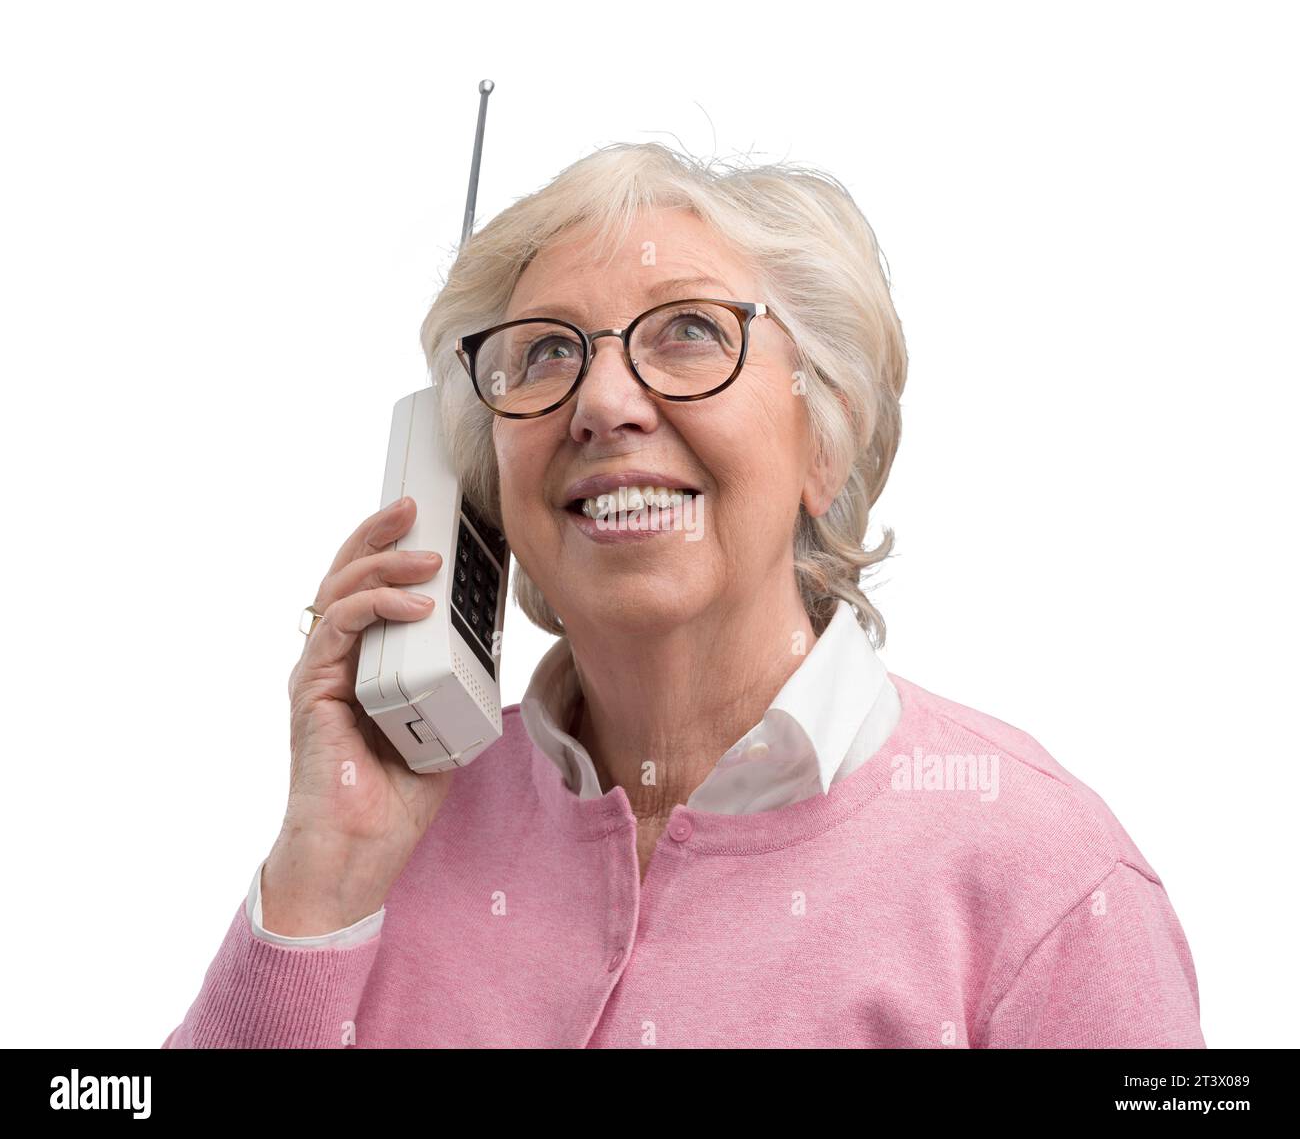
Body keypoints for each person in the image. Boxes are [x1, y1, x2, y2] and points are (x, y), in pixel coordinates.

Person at [164, 142, 1205, 1048]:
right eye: (544, 355)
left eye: (691, 332)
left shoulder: (1048, 880)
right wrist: (322, 881)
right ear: (480, 478)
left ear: (826, 440)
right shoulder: (386, 836)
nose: (603, 403)